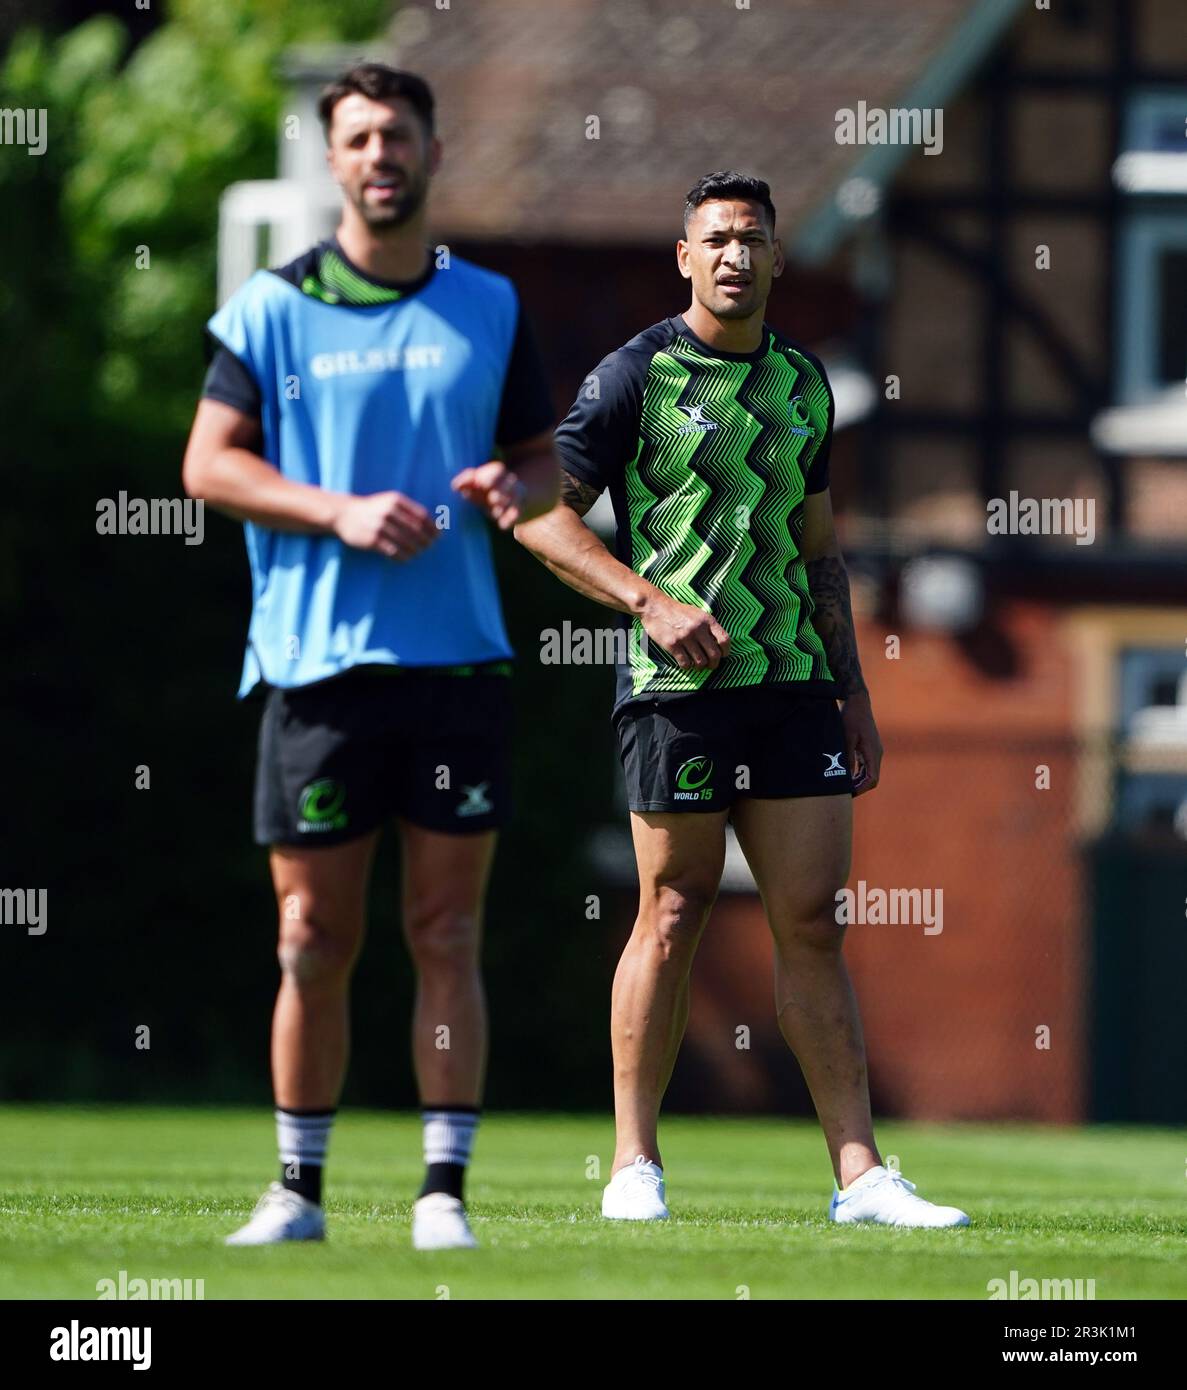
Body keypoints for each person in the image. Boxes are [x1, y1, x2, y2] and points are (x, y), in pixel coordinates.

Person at [515, 170, 967, 1229]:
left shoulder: (804, 382)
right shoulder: (632, 377)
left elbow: (817, 549)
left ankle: (859, 1176)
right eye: (713, 238)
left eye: (750, 239)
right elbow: (539, 512)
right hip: (677, 693)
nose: (731, 255)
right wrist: (645, 600)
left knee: (809, 920)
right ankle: (632, 1165)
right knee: (670, 911)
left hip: (795, 688)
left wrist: (851, 690)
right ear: (685, 257)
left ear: (772, 258)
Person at [181, 63, 558, 1250]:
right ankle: (297, 1191)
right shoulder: (268, 310)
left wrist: (518, 483)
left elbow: (544, 461)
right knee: (310, 937)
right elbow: (208, 466)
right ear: (333, 161)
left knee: (444, 932)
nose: (378, 156)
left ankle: (441, 1195)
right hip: (318, 670)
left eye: (397, 135)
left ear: (433, 152)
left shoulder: (488, 306)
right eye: (356, 139)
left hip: (455, 671)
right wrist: (336, 510)